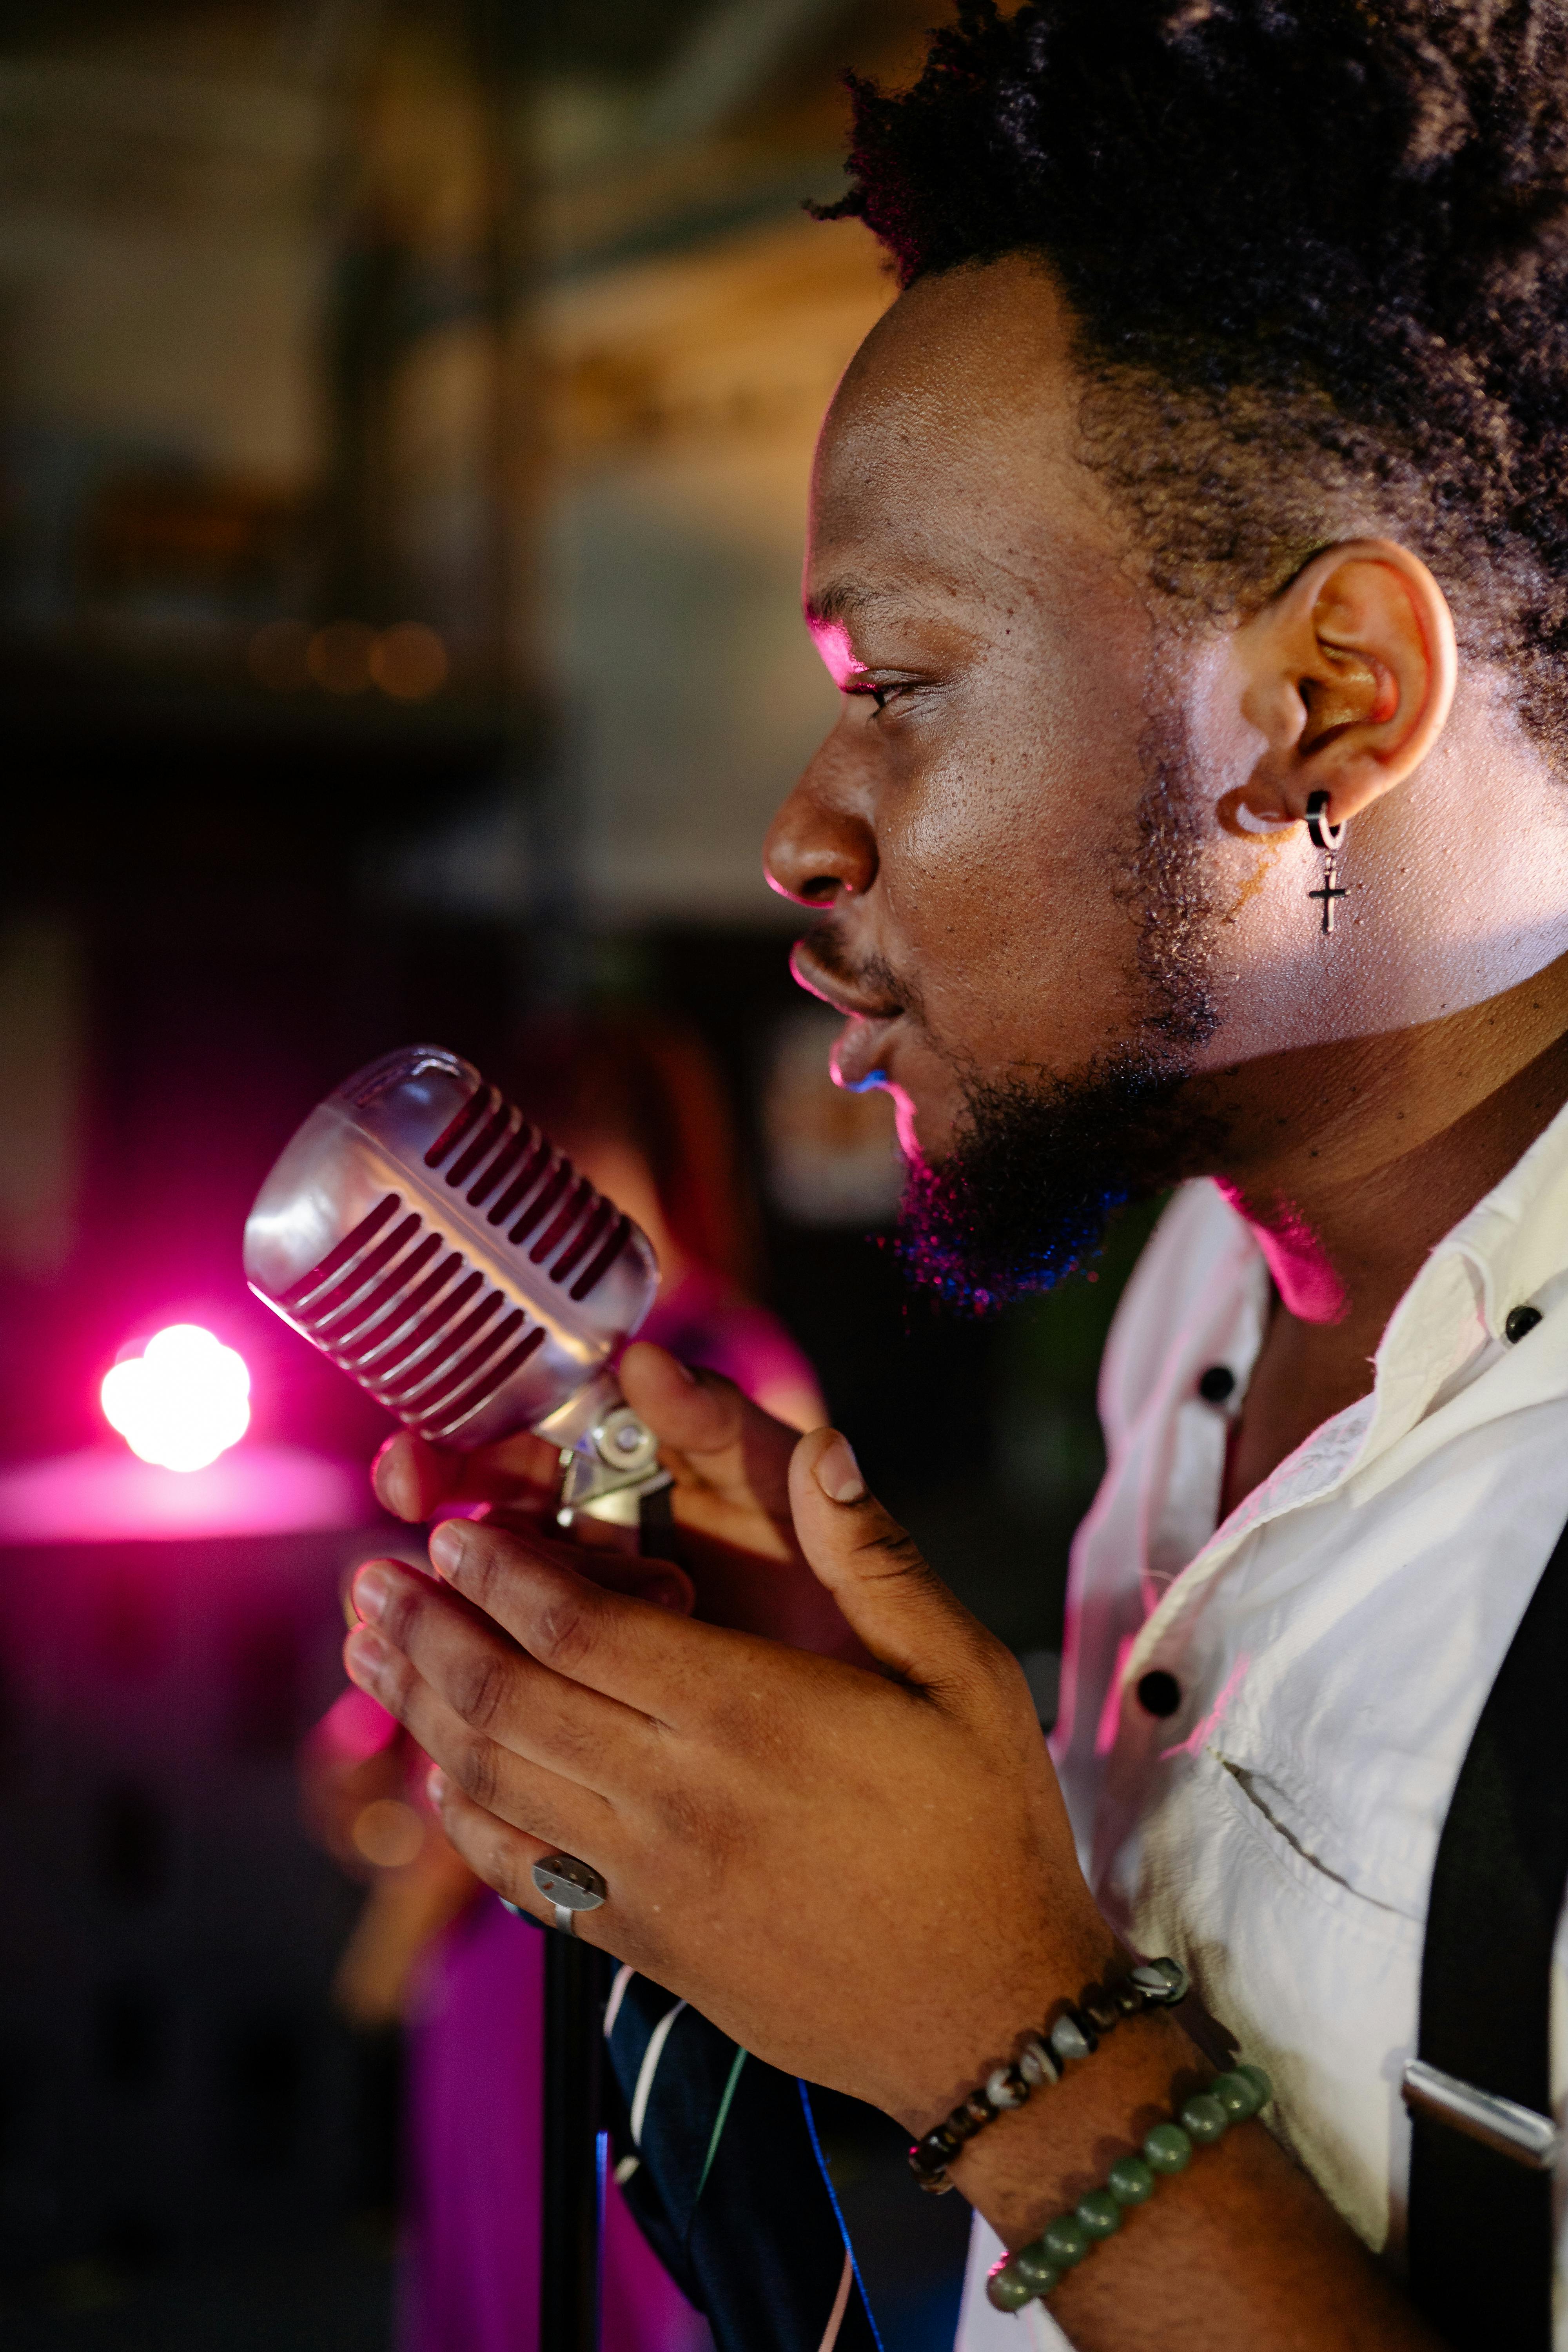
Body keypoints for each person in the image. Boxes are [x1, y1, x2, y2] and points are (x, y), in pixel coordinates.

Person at [334, 2, 1568, 2345]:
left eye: (895, 680)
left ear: (1321, 715)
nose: (799, 832)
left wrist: (1013, 2053)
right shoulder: (1220, 1289)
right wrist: (857, 1815)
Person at [301, 1012, 824, 2352]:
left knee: (616, 2258)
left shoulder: (717, 1365)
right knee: (491, 2238)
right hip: (490, 1914)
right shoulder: (520, 1385)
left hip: (625, 1898)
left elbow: (747, 1646)